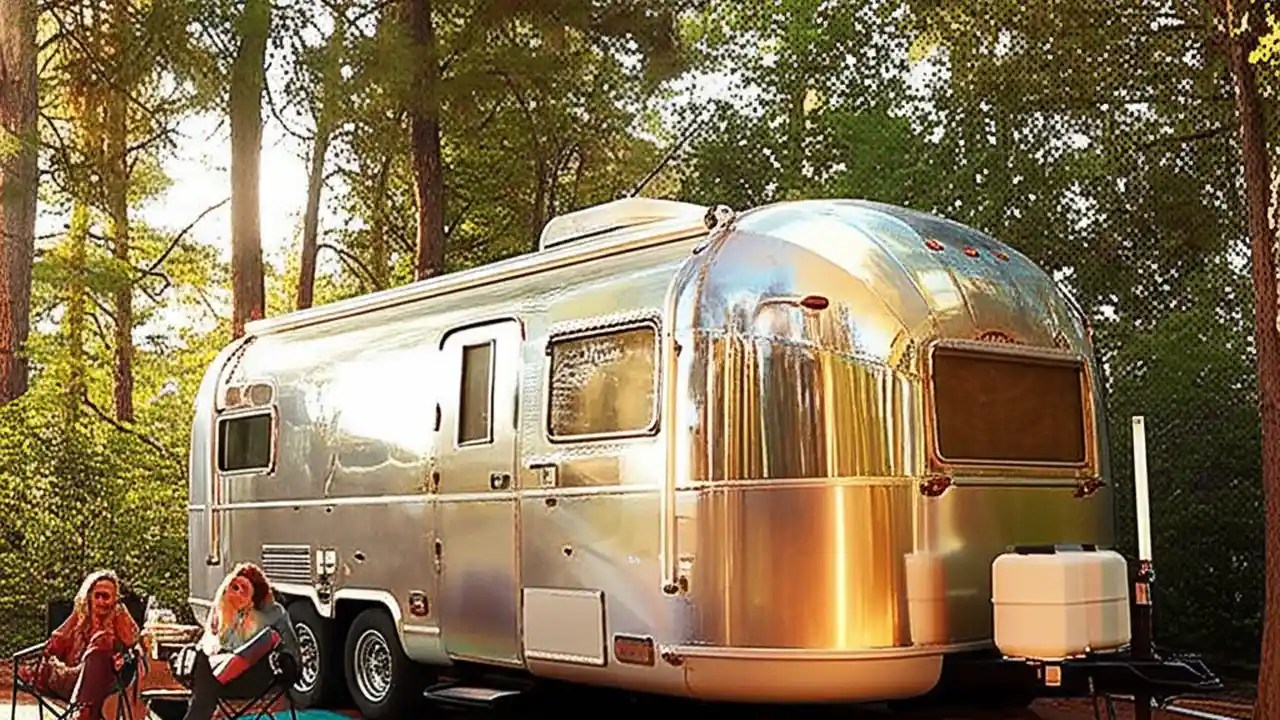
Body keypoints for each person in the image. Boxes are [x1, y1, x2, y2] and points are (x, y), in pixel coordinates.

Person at [17, 570, 145, 720]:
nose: (101, 601)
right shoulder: (80, 615)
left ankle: (83, 711)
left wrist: (121, 651)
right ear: (89, 597)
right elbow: (55, 642)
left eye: (106, 597)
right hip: (71, 678)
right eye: (97, 596)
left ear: (115, 599)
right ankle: (83, 710)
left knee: (101, 644)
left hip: (108, 682)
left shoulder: (119, 615)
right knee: (98, 646)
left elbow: (134, 641)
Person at [179, 562, 300, 720]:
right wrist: (224, 610)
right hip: (225, 675)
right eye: (234, 588)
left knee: (266, 639)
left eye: (244, 589)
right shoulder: (230, 610)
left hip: (268, 676)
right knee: (200, 659)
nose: (238, 593)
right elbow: (215, 645)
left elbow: (249, 647)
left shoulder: (271, 613)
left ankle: (192, 712)